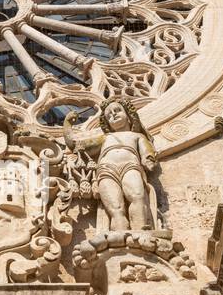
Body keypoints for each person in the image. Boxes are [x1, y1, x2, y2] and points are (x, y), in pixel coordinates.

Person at [66, 99, 158, 232]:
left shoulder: (136, 136)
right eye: (109, 115)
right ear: (107, 122)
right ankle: (120, 235)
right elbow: (74, 144)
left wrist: (148, 159)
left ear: (128, 114)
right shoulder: (104, 138)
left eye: (117, 110)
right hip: (106, 170)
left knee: (137, 196)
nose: (113, 115)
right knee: (116, 208)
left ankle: (140, 231)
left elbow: (147, 152)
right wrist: (67, 124)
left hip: (130, 166)